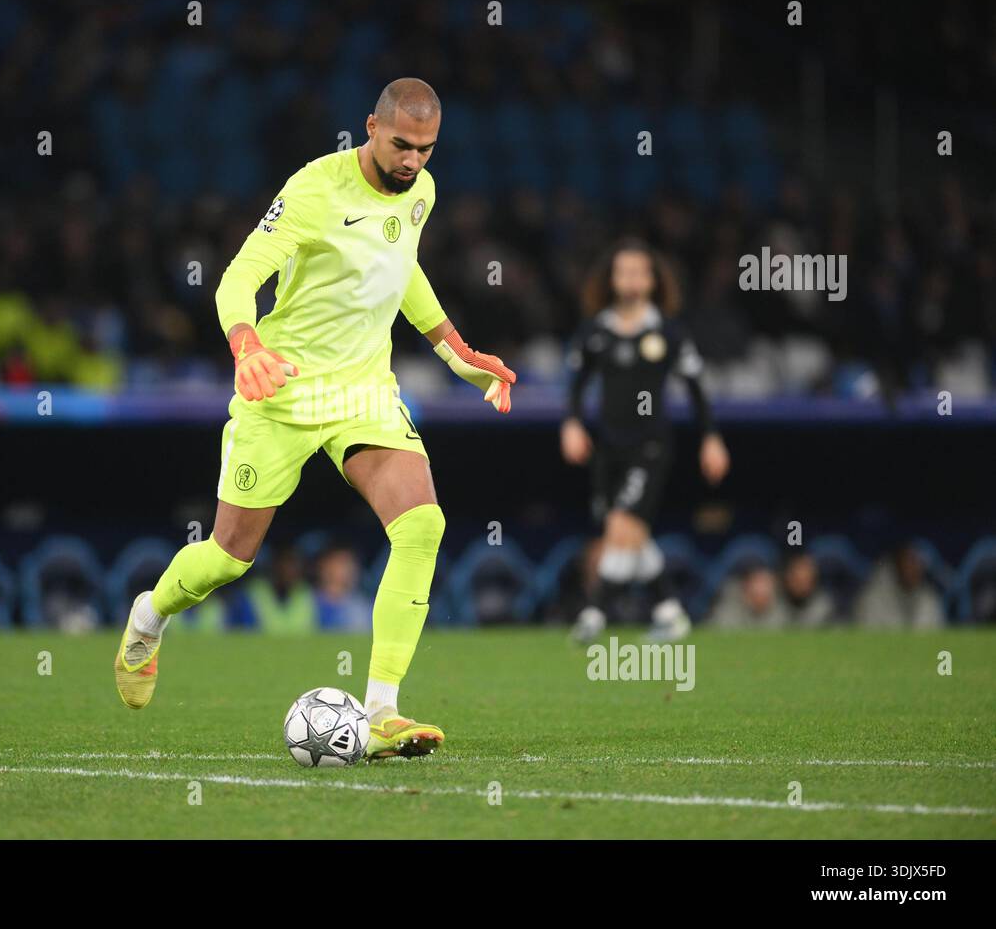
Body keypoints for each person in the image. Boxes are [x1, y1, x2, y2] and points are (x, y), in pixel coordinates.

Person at [112, 78, 517, 761]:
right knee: (227, 558)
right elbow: (236, 280)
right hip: (284, 387)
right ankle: (150, 616)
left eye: (426, 149)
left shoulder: (421, 191)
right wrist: (247, 345)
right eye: (401, 146)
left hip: (364, 391)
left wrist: (457, 351)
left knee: (423, 525)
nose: (413, 161)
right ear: (370, 127)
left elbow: (401, 267)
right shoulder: (313, 191)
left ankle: (383, 712)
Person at [561, 238, 729, 643]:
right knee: (631, 533)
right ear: (612, 279)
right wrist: (572, 424)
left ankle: (595, 613)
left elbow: (696, 389)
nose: (632, 280)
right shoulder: (594, 332)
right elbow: (577, 386)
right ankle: (671, 612)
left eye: (640, 272)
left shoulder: (668, 333)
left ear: (653, 281)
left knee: (621, 524)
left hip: (650, 447)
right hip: (608, 448)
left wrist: (711, 438)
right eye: (624, 272)